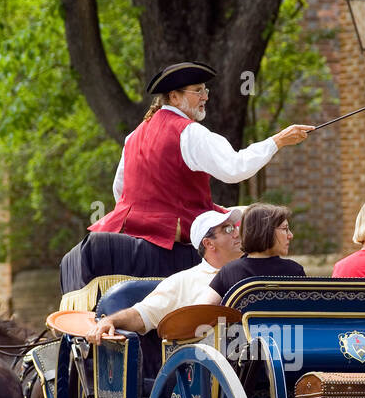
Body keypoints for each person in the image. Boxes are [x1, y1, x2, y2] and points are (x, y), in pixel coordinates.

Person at [89, 61, 313, 258]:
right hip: (174, 227)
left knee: (236, 213)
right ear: (174, 97)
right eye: (197, 91)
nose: (205, 96)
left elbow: (119, 191)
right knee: (261, 220)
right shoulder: (189, 132)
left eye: (205, 90)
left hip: (126, 224)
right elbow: (234, 169)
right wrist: (278, 140)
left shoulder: (133, 135)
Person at [86, 207, 246, 345]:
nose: (237, 234)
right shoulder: (183, 281)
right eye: (228, 229)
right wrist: (110, 321)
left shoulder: (255, 269)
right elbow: (140, 315)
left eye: (235, 227)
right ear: (209, 244)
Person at [200, 203, 306, 304]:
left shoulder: (230, 271)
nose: (290, 235)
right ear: (266, 231)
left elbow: (204, 309)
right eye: (285, 229)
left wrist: (222, 321)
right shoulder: (294, 271)